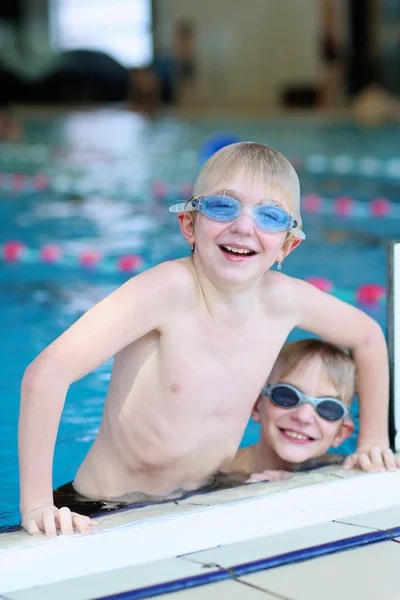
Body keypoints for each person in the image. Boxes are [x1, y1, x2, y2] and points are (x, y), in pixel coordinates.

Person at [19, 142, 397, 537]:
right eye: (223, 207)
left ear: (287, 244)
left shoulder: (286, 300)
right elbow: (46, 374)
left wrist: (371, 439)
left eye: (269, 216)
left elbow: (368, 337)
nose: (244, 227)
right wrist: (38, 504)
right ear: (189, 224)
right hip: (100, 508)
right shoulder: (166, 291)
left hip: (199, 499)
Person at [222, 338, 359, 482]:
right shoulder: (219, 472)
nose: (303, 416)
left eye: (328, 408)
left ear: (340, 434)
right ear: (257, 406)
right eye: (287, 396)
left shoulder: (340, 469)